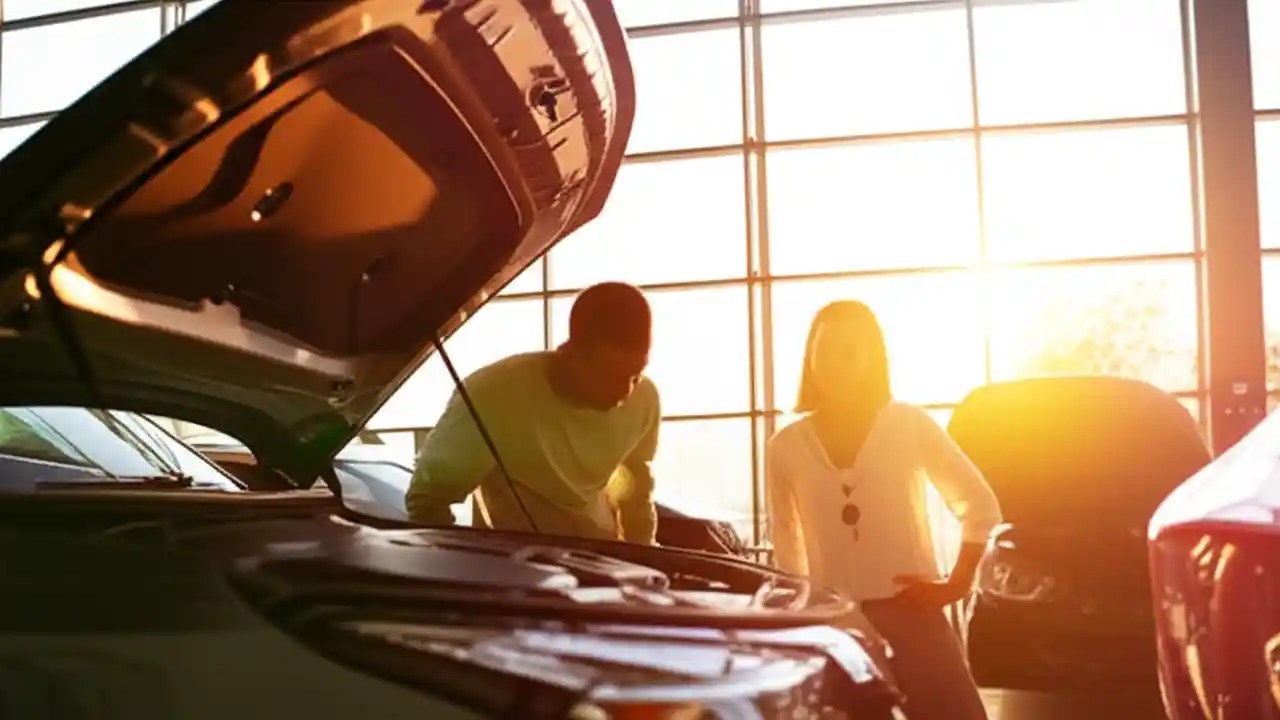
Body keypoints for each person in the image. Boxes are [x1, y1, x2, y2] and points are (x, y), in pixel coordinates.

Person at [766, 300, 1001, 720]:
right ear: (810, 358)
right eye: (825, 350)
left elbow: (980, 504)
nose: (834, 363)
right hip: (836, 628)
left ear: (873, 360)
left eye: (849, 351)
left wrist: (957, 583)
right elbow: (788, 554)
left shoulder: (908, 425)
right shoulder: (785, 448)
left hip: (914, 615)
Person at [405, 281, 661, 544]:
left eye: (636, 374)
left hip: (605, 560)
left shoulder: (646, 399)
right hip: (513, 568)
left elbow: (636, 490)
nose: (625, 391)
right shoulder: (493, 394)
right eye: (611, 375)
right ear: (570, 352)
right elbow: (427, 500)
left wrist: (649, 560)